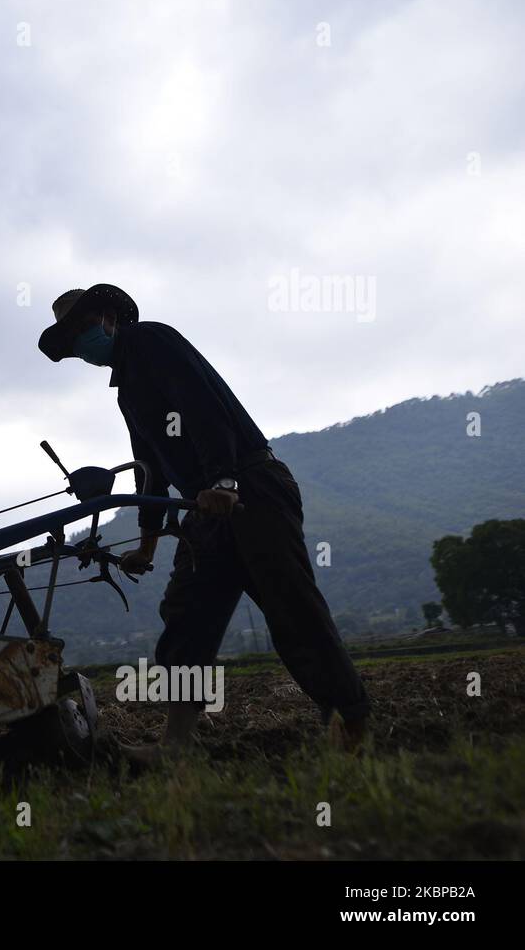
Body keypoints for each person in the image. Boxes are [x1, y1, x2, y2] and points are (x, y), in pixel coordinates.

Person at [39, 284, 369, 759]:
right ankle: (177, 745)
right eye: (73, 342)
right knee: (187, 616)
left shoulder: (152, 341)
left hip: (249, 487)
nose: (82, 346)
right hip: (206, 506)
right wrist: (148, 545)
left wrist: (225, 481)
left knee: (292, 609)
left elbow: (202, 408)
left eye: (83, 330)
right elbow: (149, 470)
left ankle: (350, 726)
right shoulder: (128, 390)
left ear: (110, 317)